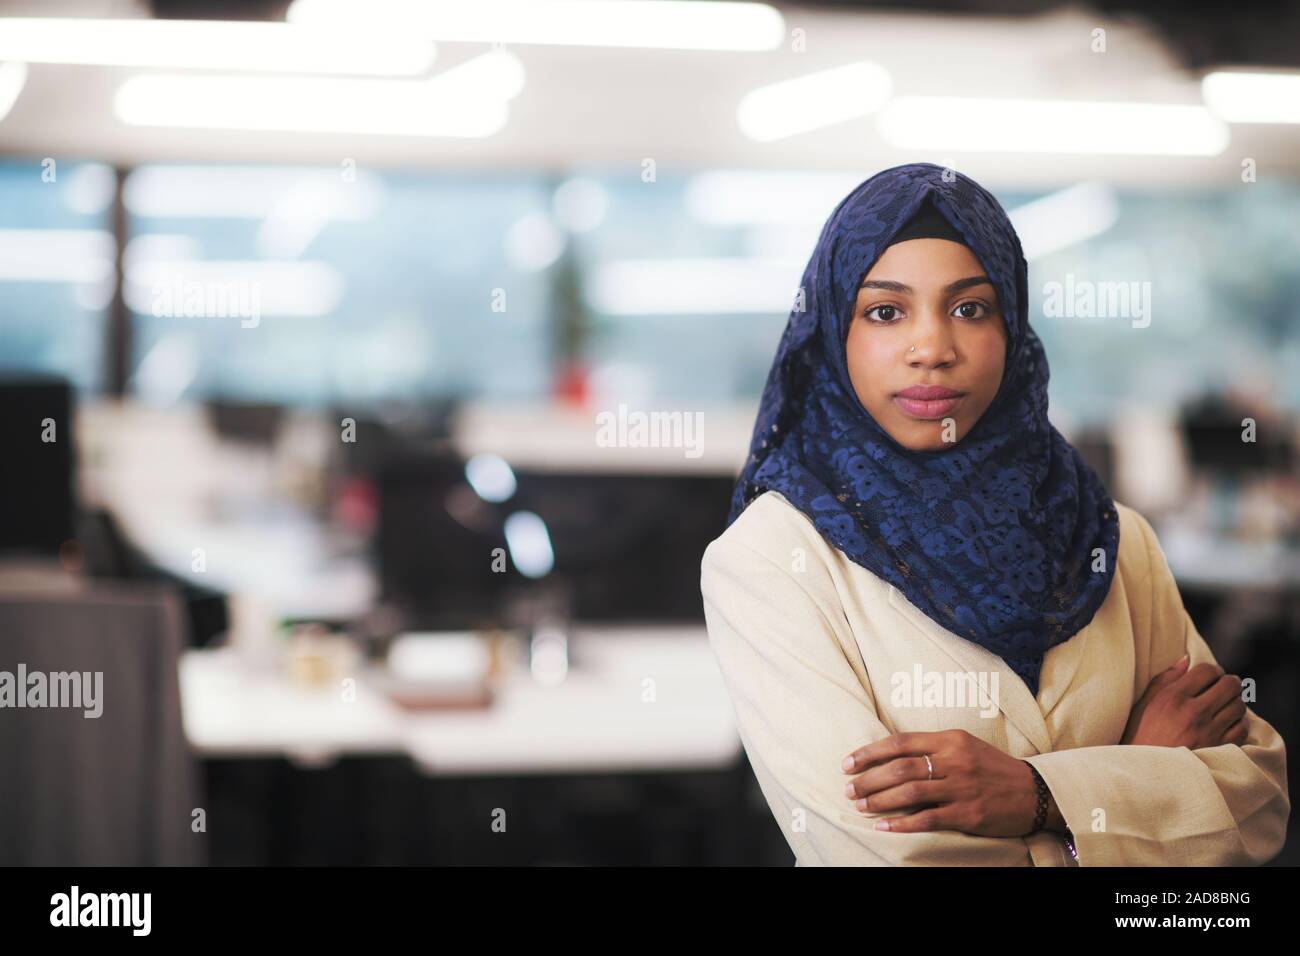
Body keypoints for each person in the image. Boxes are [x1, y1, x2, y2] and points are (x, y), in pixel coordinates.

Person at [700, 162, 1289, 866]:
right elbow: (884, 859)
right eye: (886, 312)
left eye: (970, 308)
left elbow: (1257, 801)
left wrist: (1035, 795)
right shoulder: (771, 561)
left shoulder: (1112, 540)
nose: (933, 349)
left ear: (1012, 327)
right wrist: (1118, 796)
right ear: (833, 334)